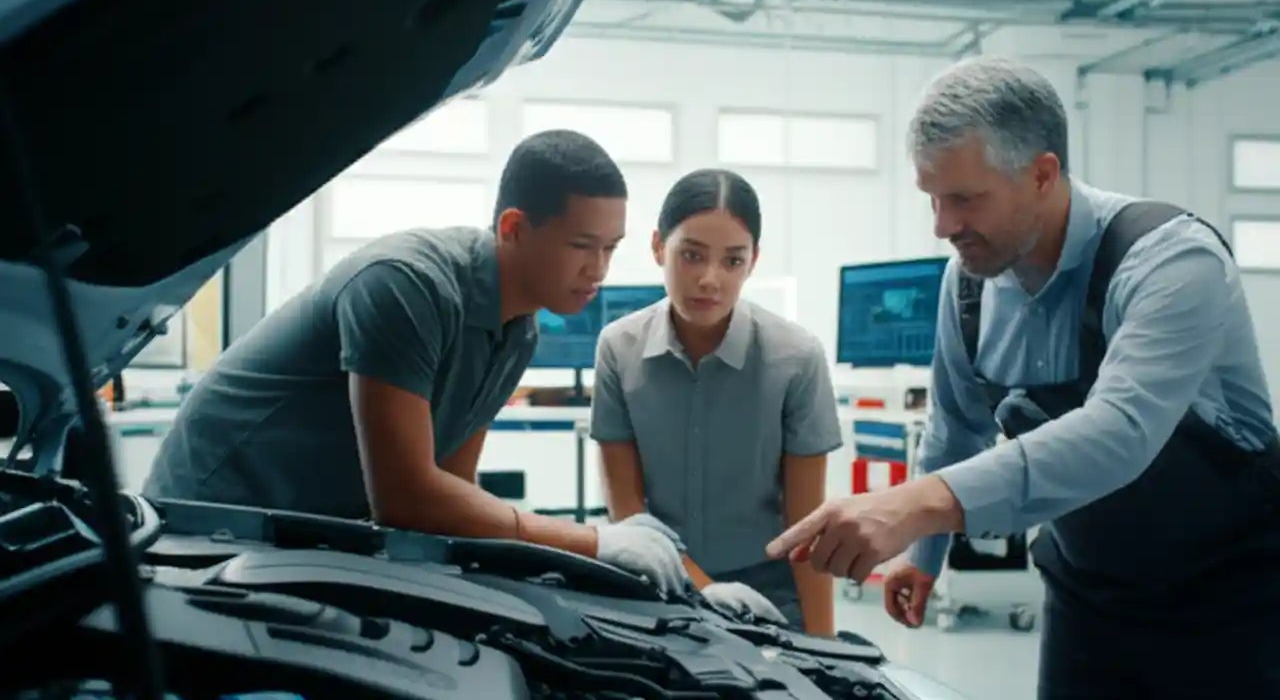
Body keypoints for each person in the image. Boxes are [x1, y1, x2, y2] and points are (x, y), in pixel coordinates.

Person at [766, 56, 1280, 697]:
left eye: (964, 199)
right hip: (1087, 594)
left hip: (1230, 601)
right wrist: (923, 556)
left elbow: (1119, 432)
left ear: (1042, 174)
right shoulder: (969, 285)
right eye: (932, 198)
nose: (942, 226)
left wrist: (912, 507)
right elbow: (957, 426)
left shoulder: (1171, 261)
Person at [143, 129, 691, 597]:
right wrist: (593, 541)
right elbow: (406, 500)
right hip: (201, 527)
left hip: (294, 537)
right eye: (582, 245)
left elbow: (453, 495)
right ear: (514, 229)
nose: (598, 269)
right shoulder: (404, 285)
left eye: (611, 248)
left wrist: (674, 580)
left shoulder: (519, 330)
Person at [591, 168, 842, 633]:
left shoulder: (797, 357)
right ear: (657, 247)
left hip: (769, 596)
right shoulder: (618, 347)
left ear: (753, 261)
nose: (710, 279)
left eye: (732, 261)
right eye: (691, 255)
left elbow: (805, 523)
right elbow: (625, 504)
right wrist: (701, 589)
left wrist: (825, 644)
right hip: (657, 581)